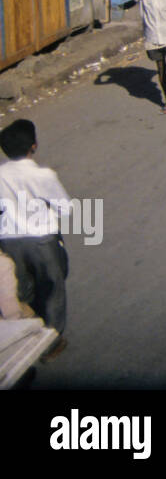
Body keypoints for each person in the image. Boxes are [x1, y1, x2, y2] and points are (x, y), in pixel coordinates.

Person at [0, 120, 70, 353]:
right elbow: (65, 208)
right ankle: (53, 340)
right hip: (41, 239)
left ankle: (27, 326)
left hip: (9, 239)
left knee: (24, 286)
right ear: (34, 146)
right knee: (52, 286)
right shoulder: (43, 175)